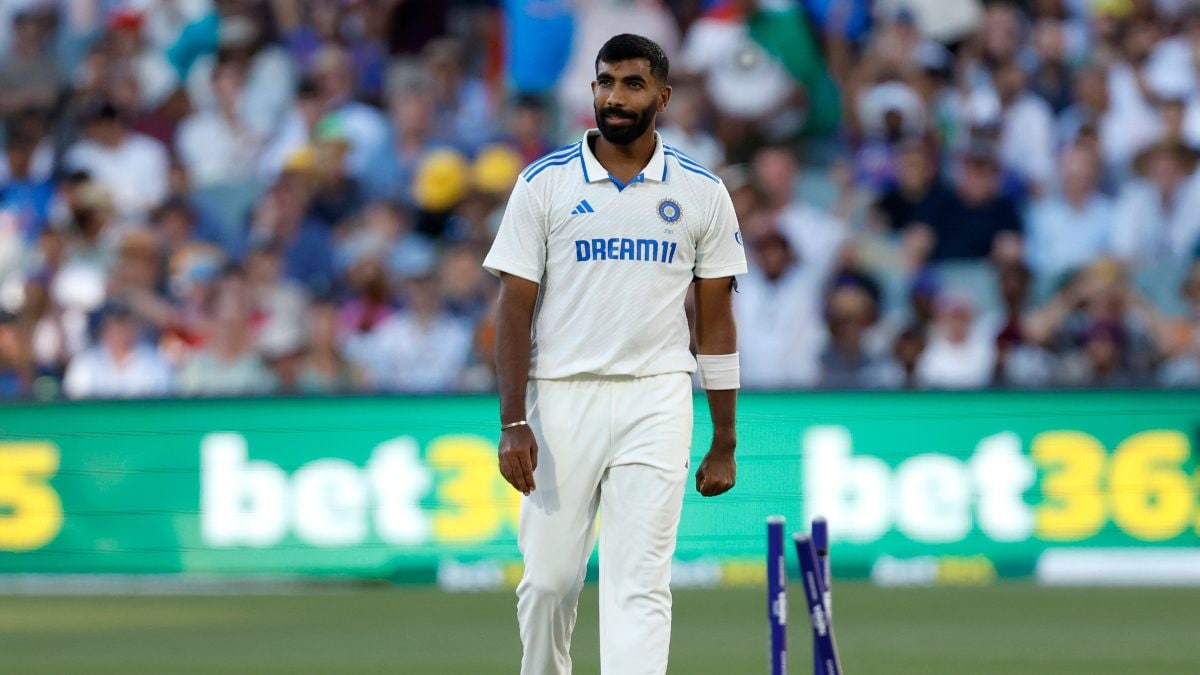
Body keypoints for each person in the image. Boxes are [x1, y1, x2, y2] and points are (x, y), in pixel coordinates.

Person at [482, 34, 747, 675]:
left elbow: (715, 322)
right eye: (605, 82)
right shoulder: (543, 184)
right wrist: (513, 420)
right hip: (560, 395)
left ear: (662, 94)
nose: (615, 97)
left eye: (632, 84)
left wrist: (725, 439)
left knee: (638, 585)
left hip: (655, 396)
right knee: (548, 583)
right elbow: (513, 309)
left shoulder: (701, 190)